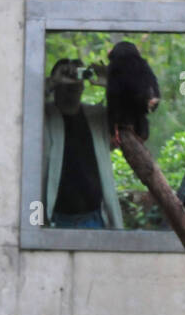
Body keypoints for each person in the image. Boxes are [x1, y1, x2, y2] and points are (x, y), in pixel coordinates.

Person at [42, 58, 124, 229]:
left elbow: (134, 110)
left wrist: (108, 80)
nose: (72, 83)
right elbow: (17, 105)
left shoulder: (97, 117)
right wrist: (53, 81)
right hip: (53, 221)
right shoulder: (43, 115)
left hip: (95, 219)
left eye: (78, 76)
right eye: (66, 76)